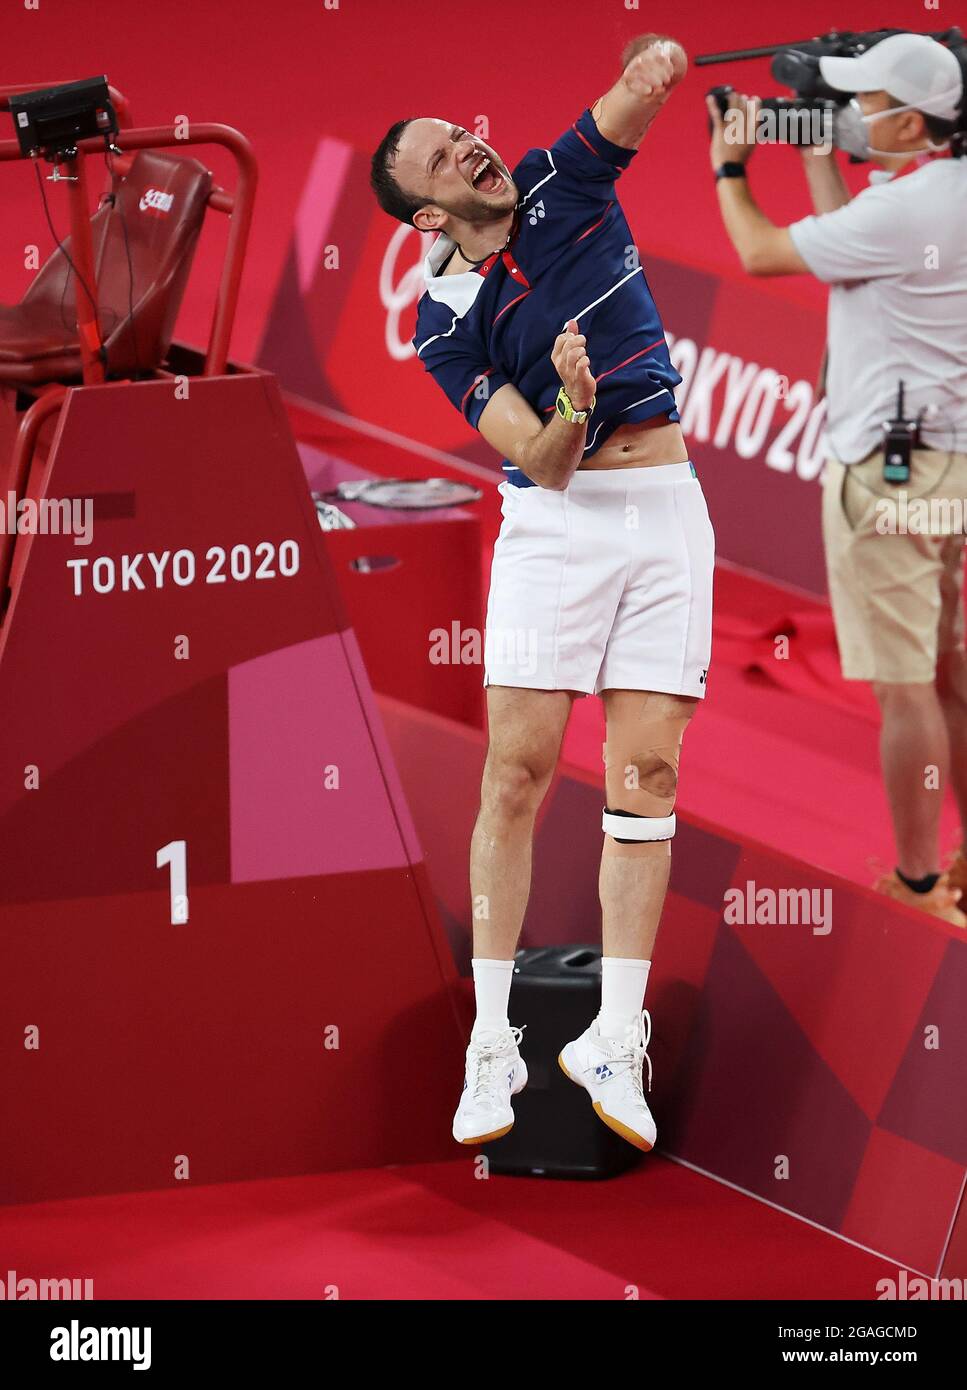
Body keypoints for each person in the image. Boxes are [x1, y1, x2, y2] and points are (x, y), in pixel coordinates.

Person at [370, 33, 714, 1150]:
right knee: (515, 773)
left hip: (664, 511)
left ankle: (615, 1033)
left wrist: (652, 67)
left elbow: (625, 102)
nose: (470, 147)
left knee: (646, 771)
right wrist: (569, 402)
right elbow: (542, 457)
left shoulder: (562, 179)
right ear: (427, 219)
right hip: (555, 527)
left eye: (461, 133)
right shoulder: (443, 323)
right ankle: (490, 1039)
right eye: (442, 157)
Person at [707, 32, 967, 927]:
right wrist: (822, 159)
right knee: (949, 674)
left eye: (868, 102)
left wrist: (728, 169)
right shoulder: (933, 194)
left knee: (905, 689)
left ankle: (920, 886)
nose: (855, 112)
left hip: (887, 480)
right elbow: (853, 265)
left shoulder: (904, 211)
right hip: (949, 466)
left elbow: (761, 254)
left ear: (909, 116)